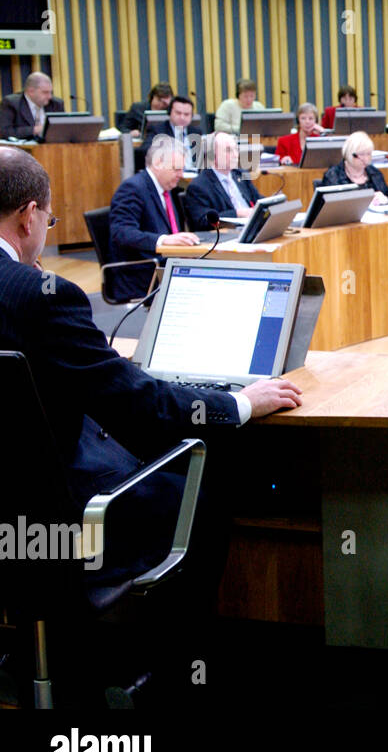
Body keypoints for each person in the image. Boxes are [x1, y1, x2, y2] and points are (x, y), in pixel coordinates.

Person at [0, 147, 303, 588]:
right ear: (28, 217)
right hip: (63, 525)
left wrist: (95, 362)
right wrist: (238, 402)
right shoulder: (44, 297)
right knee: (202, 490)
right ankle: (174, 650)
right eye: (48, 221)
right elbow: (138, 406)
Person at [108, 136, 202, 300]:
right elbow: (122, 232)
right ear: (158, 163)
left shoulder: (166, 188)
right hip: (141, 274)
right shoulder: (133, 188)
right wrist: (164, 240)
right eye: (176, 169)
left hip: (165, 265)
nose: (181, 174)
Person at [184, 132, 262, 226]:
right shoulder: (199, 186)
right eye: (228, 150)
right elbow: (203, 221)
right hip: (228, 234)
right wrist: (237, 213)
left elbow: (258, 200)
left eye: (236, 150)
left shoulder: (240, 174)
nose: (235, 155)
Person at [320, 131, 388, 205]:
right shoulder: (333, 176)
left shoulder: (374, 173)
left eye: (368, 154)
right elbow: (328, 207)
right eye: (361, 154)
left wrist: (385, 199)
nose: (366, 159)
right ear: (349, 154)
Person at [144, 95, 204, 171]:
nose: (182, 117)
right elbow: (146, 150)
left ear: (191, 116)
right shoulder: (157, 130)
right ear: (170, 113)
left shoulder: (196, 132)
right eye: (178, 113)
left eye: (186, 114)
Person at [0, 72, 66, 141]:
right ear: (31, 91)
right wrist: (35, 130)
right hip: (23, 149)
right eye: (45, 92)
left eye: (50, 92)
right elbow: (4, 132)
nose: (49, 96)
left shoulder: (56, 104)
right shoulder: (12, 103)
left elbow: (63, 130)